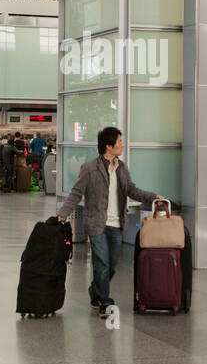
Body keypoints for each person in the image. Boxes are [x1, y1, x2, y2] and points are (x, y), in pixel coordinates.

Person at [58, 126, 164, 317]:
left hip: (117, 224)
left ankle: (95, 291)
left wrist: (153, 197)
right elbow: (76, 192)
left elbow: (132, 190)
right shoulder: (90, 168)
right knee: (102, 263)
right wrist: (63, 213)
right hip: (97, 223)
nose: (122, 145)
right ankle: (105, 302)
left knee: (112, 265)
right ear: (108, 146)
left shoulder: (122, 168)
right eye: (119, 142)